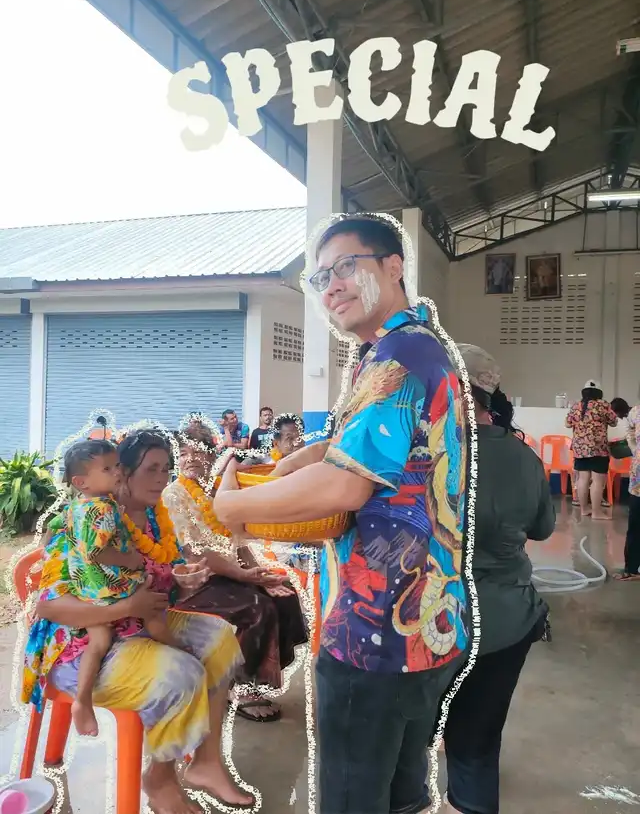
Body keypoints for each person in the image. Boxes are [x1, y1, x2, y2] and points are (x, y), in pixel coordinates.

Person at [214, 214, 470, 814]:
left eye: (346, 267)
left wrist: (234, 505)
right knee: (402, 796)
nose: (330, 286)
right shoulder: (402, 349)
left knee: (353, 800)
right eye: (320, 276)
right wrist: (297, 460)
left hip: (374, 631)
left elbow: (345, 486)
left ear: (393, 267)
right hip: (423, 626)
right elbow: (364, 447)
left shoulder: (398, 356)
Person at [23, 430, 254, 813]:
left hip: (136, 625)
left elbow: (159, 580)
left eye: (166, 469)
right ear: (122, 474)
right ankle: (161, 780)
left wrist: (180, 580)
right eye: (151, 469)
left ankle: (205, 762)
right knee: (180, 673)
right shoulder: (81, 520)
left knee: (219, 637)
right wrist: (128, 606)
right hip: (79, 646)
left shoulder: (154, 520)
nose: (163, 478)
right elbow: (50, 608)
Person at [439, 345, 554, 814]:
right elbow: (542, 529)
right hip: (507, 620)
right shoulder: (524, 457)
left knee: (409, 744)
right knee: (477, 747)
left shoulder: (424, 454)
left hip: (434, 621)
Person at [163, 429, 308, 722]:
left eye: (198, 451)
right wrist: (246, 577)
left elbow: (237, 543)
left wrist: (262, 575)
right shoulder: (173, 494)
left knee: (285, 593)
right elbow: (195, 553)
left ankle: (256, 678)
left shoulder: (219, 491)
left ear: (212, 455)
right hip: (197, 582)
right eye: (184, 453)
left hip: (229, 574)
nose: (191, 459)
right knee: (256, 606)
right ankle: (237, 686)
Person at [45, 440, 178, 737]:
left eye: (116, 465)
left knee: (100, 640)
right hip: (110, 586)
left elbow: (68, 536)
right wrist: (130, 559)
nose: (117, 472)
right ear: (81, 482)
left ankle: (82, 701)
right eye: (108, 469)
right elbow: (96, 551)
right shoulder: (104, 508)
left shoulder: (77, 506)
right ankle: (179, 649)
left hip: (87, 588)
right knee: (152, 609)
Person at [565, 380, 617, 519]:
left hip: (580, 448)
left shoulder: (576, 405)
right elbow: (614, 421)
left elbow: (567, 423)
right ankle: (596, 512)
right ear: (599, 392)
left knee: (582, 479)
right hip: (598, 448)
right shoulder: (603, 405)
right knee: (597, 480)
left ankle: (584, 509)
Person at [614, 398, 640, 581]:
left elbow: (630, 432)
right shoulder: (635, 412)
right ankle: (631, 569)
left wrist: (634, 448)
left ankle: (631, 569)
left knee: (636, 525)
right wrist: (634, 448)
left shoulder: (635, 412)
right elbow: (630, 432)